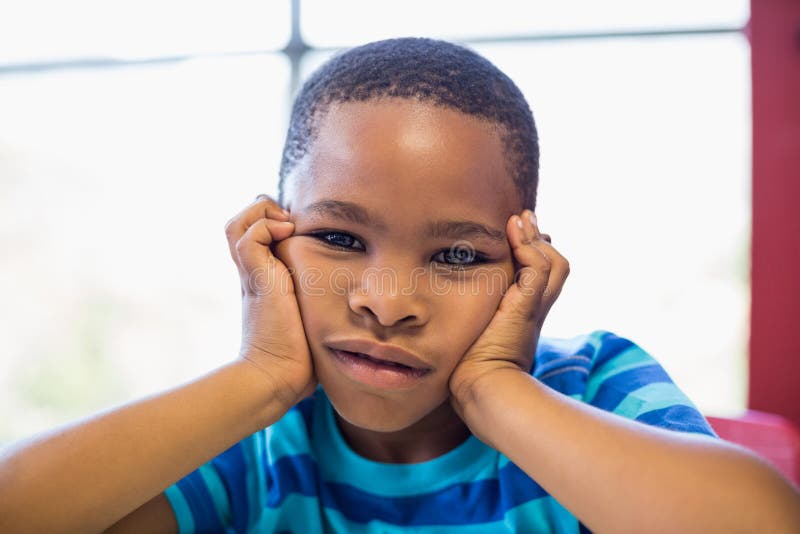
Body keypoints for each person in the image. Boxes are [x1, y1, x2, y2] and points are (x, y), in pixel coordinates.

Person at [1, 37, 798, 534]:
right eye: (340, 239)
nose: (387, 300)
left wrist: (494, 389)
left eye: (456, 257)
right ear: (271, 245)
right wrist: (262, 378)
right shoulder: (257, 448)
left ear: (524, 267)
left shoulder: (596, 385)